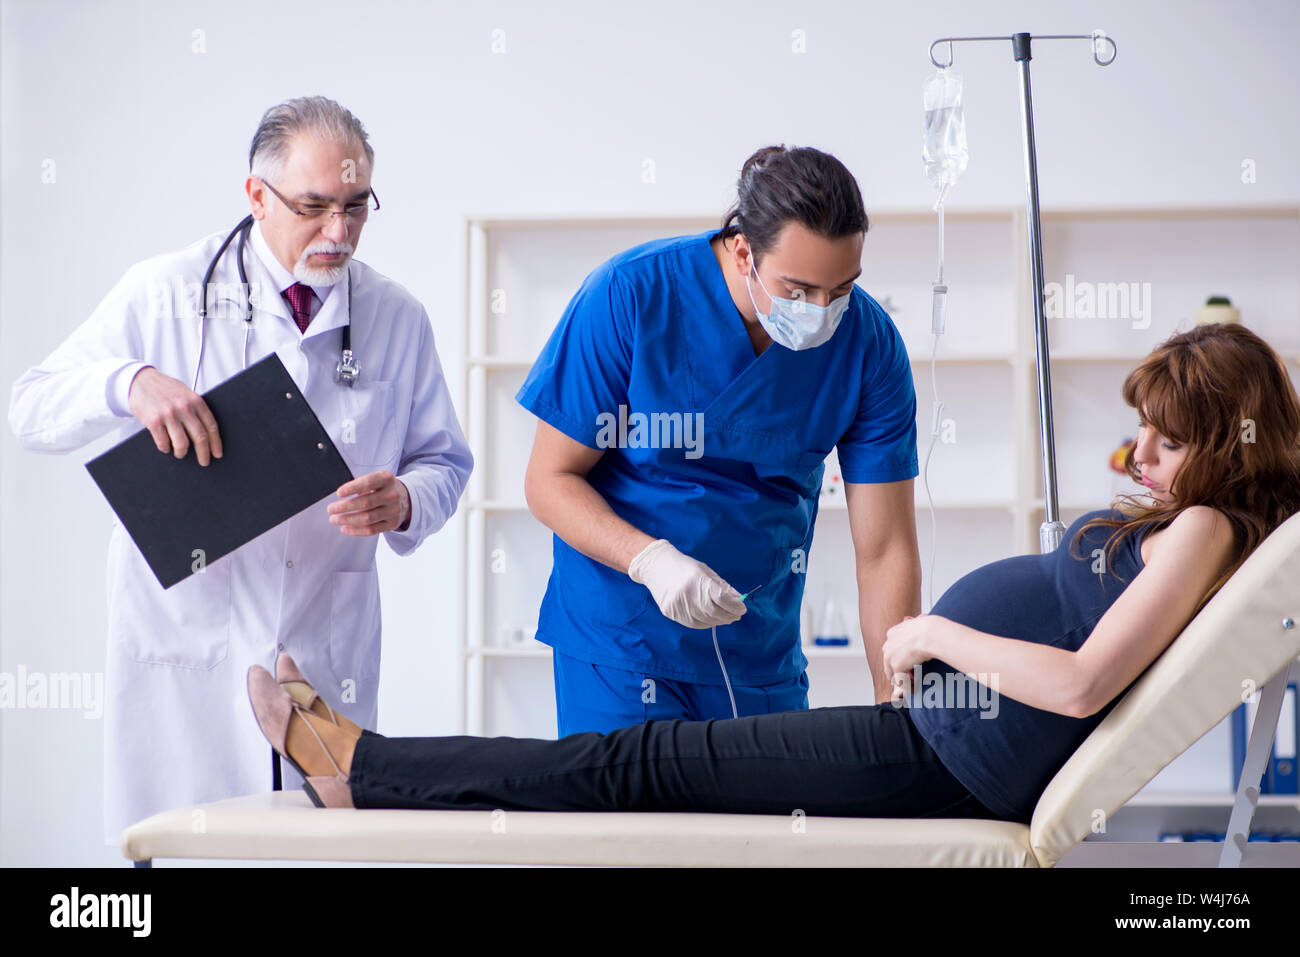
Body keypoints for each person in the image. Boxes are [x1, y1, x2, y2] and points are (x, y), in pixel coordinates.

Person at [247, 323, 1300, 823]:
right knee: (642, 765)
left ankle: (360, 766)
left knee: (640, 767)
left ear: (1227, 439)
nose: (1141, 458)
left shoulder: (1206, 529)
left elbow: (1078, 684)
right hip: (937, 742)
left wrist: (930, 637)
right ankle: (365, 766)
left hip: (945, 760)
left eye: (1164, 439)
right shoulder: (1196, 522)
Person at [8, 96, 473, 843]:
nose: (340, 231)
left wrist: (408, 500)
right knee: (176, 850)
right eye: (315, 206)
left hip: (323, 650)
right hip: (186, 655)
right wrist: (127, 382)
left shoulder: (395, 315)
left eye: (358, 207)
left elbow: (445, 460)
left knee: (316, 855)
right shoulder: (165, 292)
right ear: (256, 195)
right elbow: (28, 409)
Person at [517, 145, 922, 736]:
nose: (823, 311)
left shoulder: (868, 344)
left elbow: (885, 550)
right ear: (742, 252)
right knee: (626, 825)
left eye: (842, 289)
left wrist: (898, 710)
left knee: (767, 826)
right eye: (799, 289)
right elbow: (549, 480)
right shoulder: (631, 295)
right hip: (622, 643)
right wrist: (649, 561)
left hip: (758, 650)